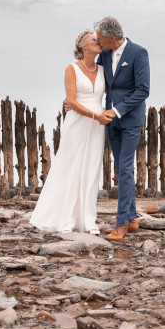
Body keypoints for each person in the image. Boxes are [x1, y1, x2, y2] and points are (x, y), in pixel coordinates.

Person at [29, 30, 111, 235]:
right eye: (94, 39)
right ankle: (65, 218)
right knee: (70, 166)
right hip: (78, 122)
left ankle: (88, 220)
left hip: (97, 125)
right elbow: (72, 102)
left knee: (91, 168)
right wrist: (95, 115)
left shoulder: (103, 70)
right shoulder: (72, 69)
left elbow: (113, 92)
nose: (98, 41)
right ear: (84, 46)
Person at [93, 17, 150, 242]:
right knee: (122, 168)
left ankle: (121, 223)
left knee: (125, 168)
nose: (97, 42)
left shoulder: (139, 53)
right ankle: (132, 218)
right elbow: (96, 81)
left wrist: (117, 110)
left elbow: (143, 90)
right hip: (111, 121)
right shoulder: (104, 55)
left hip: (130, 119)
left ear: (112, 37)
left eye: (100, 38)